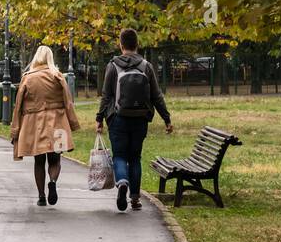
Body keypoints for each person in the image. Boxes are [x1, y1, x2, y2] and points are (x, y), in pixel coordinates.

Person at [96, 28, 173, 212]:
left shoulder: (112, 65)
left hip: (117, 118)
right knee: (135, 157)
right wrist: (166, 118)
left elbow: (106, 95)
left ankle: (122, 183)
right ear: (137, 45)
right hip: (140, 119)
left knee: (120, 155)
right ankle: (135, 198)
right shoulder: (146, 66)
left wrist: (99, 118)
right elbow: (156, 95)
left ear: (121, 45)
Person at [11, 45, 80, 207]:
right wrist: (72, 122)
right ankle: (53, 182)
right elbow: (67, 101)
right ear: (50, 58)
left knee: (39, 161)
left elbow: (18, 106)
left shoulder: (27, 78)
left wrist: (15, 129)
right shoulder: (57, 76)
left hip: (35, 125)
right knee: (55, 159)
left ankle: (41, 196)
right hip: (58, 123)